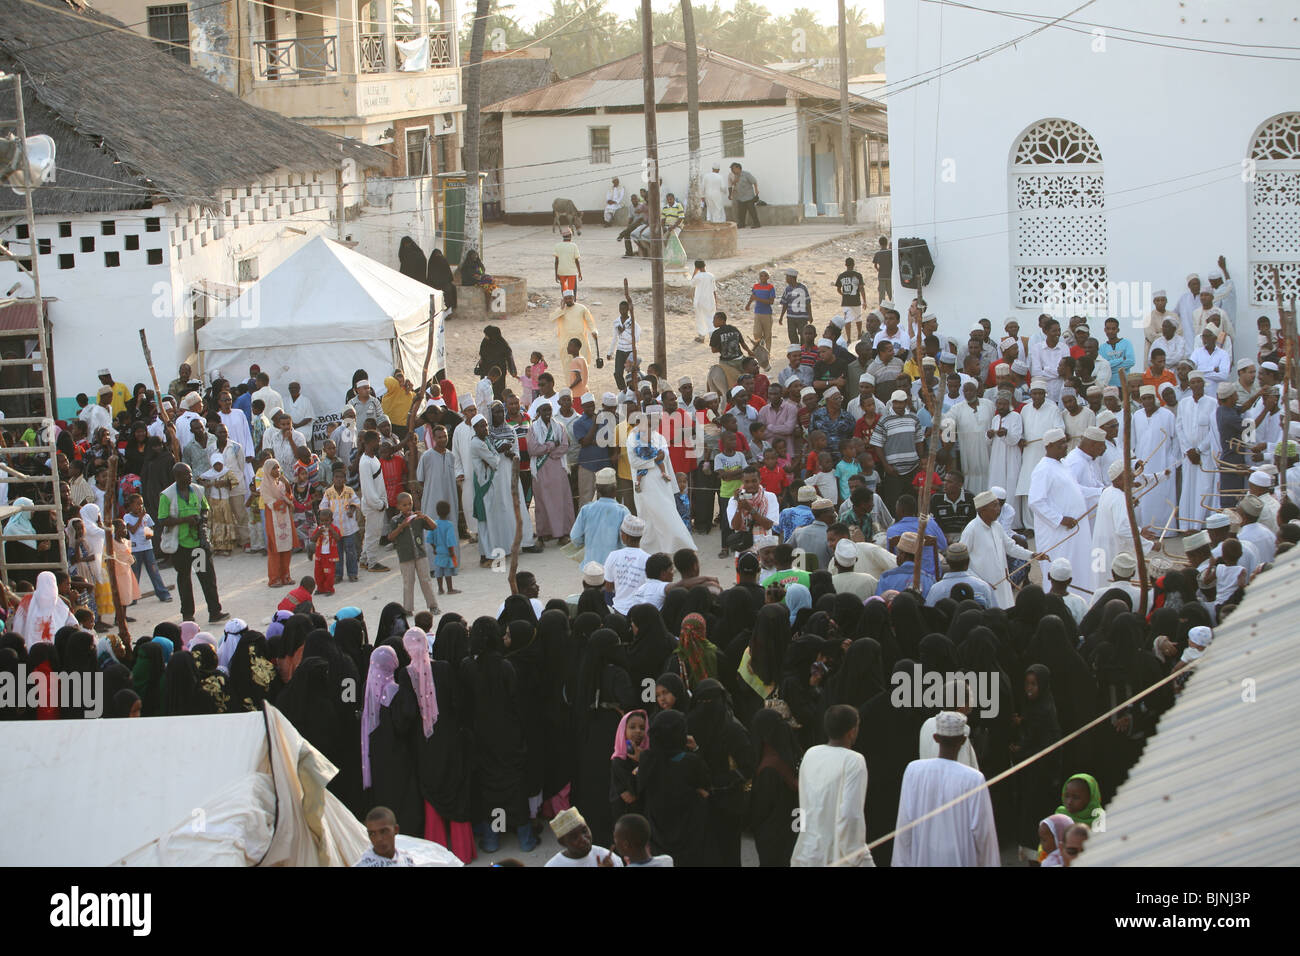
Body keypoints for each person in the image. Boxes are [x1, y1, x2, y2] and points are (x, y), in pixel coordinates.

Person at [893, 711, 1000, 866]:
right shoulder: (973, 779)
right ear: (963, 740)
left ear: (935, 738)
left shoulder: (914, 771)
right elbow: (984, 836)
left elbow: (904, 827)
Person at [790, 704, 874, 867]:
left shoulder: (811, 753)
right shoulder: (854, 760)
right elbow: (851, 814)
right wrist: (858, 857)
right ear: (852, 731)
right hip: (836, 855)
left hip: (807, 850)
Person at [157, 463, 227, 624]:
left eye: (190, 474)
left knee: (206, 577)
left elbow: (205, 508)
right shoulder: (167, 495)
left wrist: (201, 522)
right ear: (177, 477)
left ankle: (214, 611)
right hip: (180, 546)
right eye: (185, 475)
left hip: (197, 543)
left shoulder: (196, 490)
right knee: (184, 580)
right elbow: (162, 520)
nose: (189, 477)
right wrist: (184, 520)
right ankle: (187, 614)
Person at [1029, 429, 1092, 597]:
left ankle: (1081, 599)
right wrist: (1060, 519)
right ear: (1049, 446)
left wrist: (1103, 492)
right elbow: (1035, 501)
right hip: (1057, 532)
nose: (1065, 446)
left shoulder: (1063, 464)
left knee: (1078, 566)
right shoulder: (1043, 469)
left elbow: (1077, 490)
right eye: (1061, 444)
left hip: (1073, 531)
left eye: (1065, 442)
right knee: (1060, 568)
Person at [259, 458, 299, 587]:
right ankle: (274, 578)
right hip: (273, 516)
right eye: (274, 468)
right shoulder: (265, 484)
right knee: (275, 548)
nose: (277, 470)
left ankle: (285, 576)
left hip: (285, 517)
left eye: (277, 467)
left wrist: (286, 484)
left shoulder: (281, 482)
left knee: (286, 547)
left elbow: (289, 496)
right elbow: (268, 500)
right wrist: (283, 503)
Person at [545, 807, 622, 867]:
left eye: (584, 831)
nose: (583, 839)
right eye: (574, 837)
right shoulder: (554, 865)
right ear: (562, 842)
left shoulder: (607, 858)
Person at [691, 259, 718, 342]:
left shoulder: (697, 277)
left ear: (696, 267)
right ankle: (713, 336)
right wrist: (715, 300)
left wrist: (695, 272)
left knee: (700, 318)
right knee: (711, 317)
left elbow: (692, 283)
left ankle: (702, 336)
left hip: (699, 300)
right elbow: (714, 289)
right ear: (705, 265)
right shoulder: (711, 276)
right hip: (710, 300)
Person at [729, 161, 760, 228]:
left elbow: (754, 181)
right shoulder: (735, 176)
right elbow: (733, 185)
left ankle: (757, 224)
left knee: (752, 212)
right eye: (731, 169)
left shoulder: (746, 174)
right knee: (741, 213)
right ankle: (742, 224)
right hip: (740, 197)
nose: (732, 171)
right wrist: (735, 181)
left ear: (738, 168)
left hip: (749, 197)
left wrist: (756, 190)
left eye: (733, 169)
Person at [554, 228, 582, 296]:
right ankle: (573, 303)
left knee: (564, 291)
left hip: (561, 272)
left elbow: (556, 262)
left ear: (563, 236)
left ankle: (565, 303)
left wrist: (556, 274)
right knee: (572, 291)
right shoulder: (574, 246)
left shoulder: (557, 246)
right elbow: (576, 261)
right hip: (571, 272)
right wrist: (579, 272)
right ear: (570, 235)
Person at [872, 236, 892, 303]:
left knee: (881, 295)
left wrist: (879, 270)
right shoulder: (891, 253)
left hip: (881, 276)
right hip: (889, 276)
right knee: (891, 294)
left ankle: (881, 309)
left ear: (879, 244)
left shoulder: (878, 253)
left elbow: (875, 265)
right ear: (887, 243)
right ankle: (895, 307)